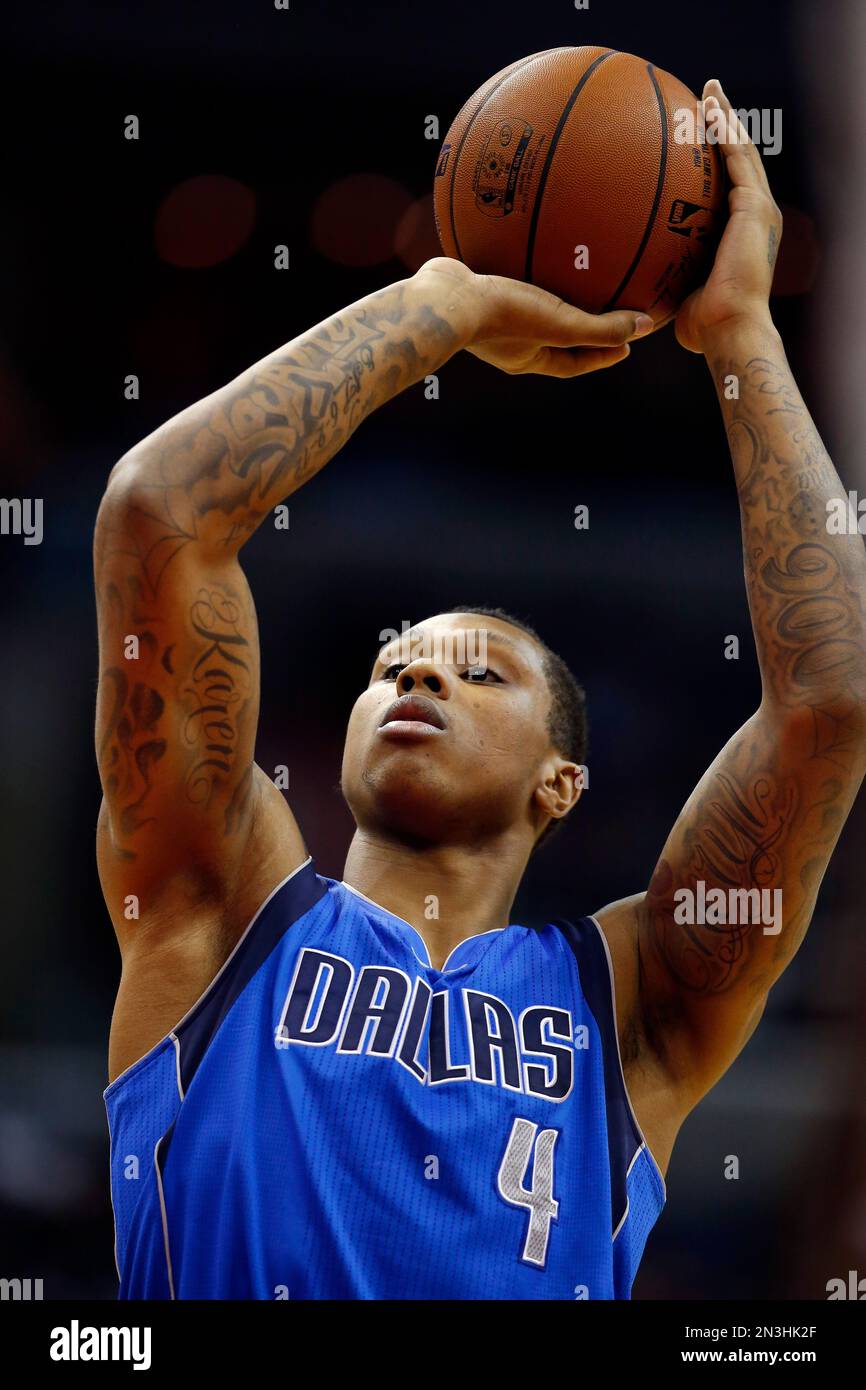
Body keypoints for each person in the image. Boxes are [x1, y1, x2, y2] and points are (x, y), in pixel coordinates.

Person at [94, 81, 866, 1298]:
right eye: (393, 659)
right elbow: (158, 517)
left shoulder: (627, 1006)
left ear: (563, 780)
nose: (415, 671)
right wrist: (435, 307)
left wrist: (741, 339)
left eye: (479, 669)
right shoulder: (219, 910)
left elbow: (833, 703)